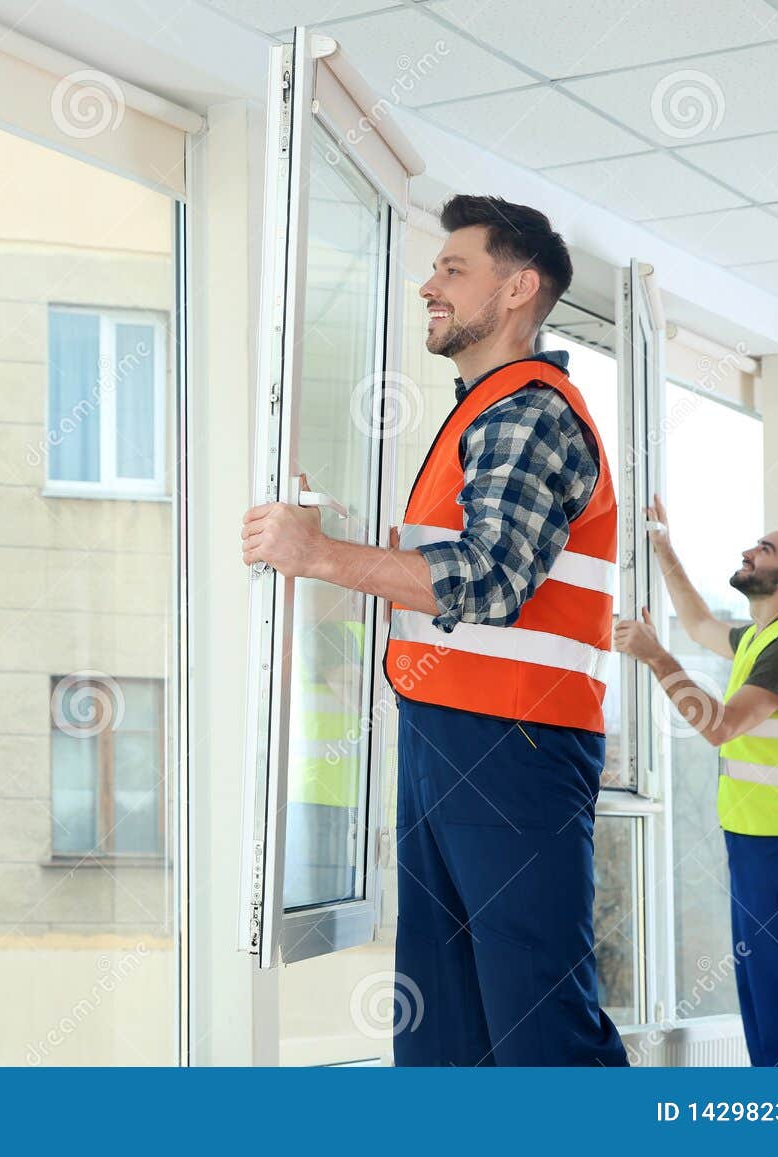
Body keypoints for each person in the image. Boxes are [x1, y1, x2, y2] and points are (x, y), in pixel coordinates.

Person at [243, 194, 629, 1066]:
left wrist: (323, 555)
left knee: (539, 1026)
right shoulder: (481, 414)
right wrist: (329, 536)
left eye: (454, 269)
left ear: (520, 288)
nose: (429, 284)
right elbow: (443, 567)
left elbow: (489, 580)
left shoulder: (528, 410)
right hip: (454, 734)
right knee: (444, 1022)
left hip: (515, 741)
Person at [613, 498, 778, 1066]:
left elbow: (722, 726)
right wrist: (664, 548)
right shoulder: (762, 637)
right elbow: (696, 623)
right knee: (765, 994)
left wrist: (655, 656)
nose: (748, 551)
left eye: (764, 548)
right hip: (756, 838)